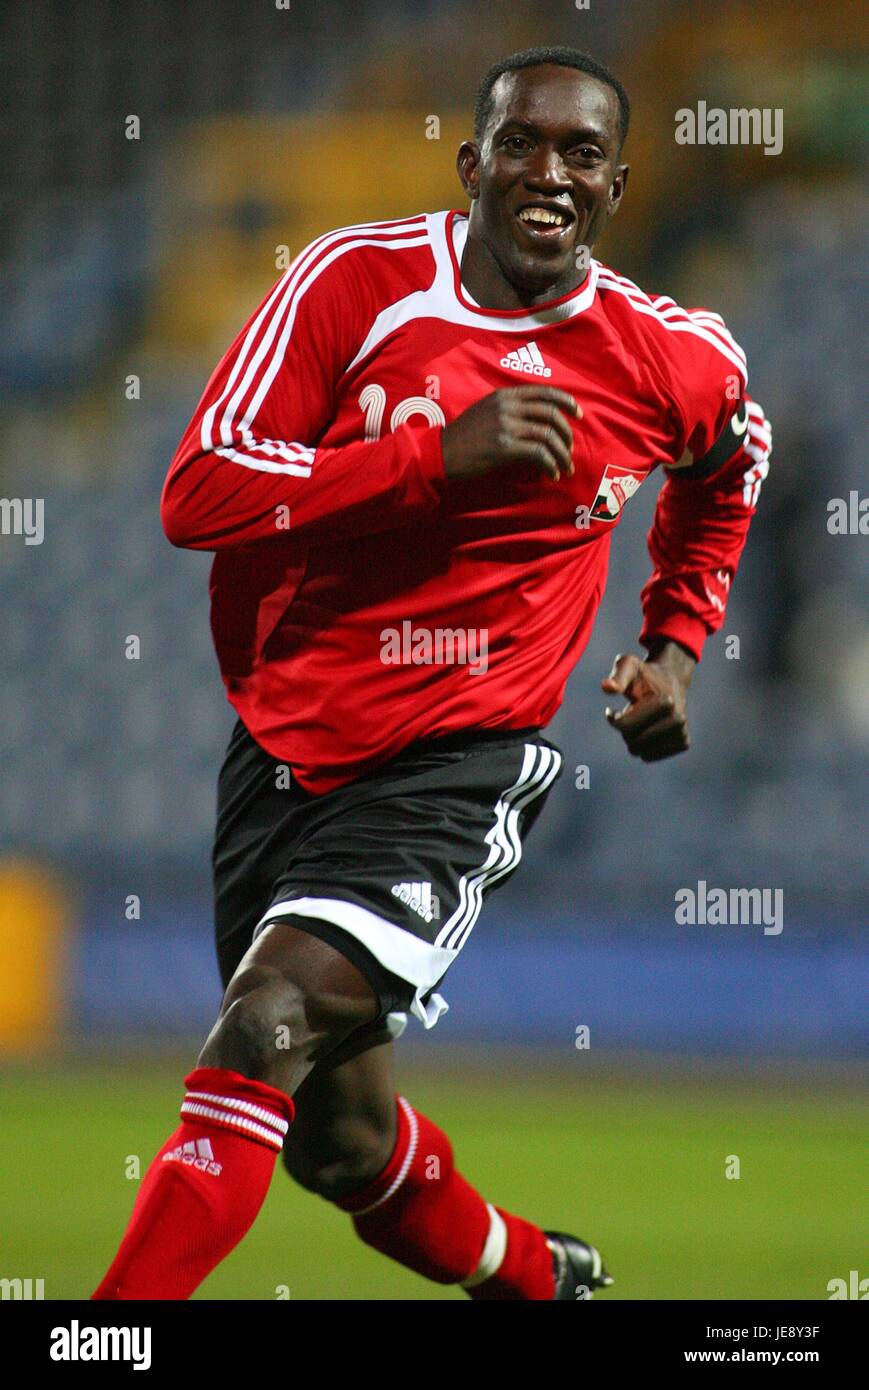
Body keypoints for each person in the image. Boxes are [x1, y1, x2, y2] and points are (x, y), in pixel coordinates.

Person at [93, 45, 771, 1301]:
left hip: (463, 759)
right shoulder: (352, 283)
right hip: (286, 752)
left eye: (581, 154)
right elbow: (199, 491)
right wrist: (426, 463)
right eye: (521, 143)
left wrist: (676, 638)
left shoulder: (669, 356)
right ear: (472, 164)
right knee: (337, 1146)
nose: (548, 174)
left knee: (264, 1022)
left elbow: (728, 464)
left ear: (617, 185)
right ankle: (531, 1275)